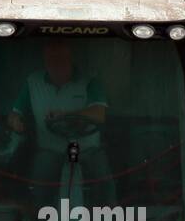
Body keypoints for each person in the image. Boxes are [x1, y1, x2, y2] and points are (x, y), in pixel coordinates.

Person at [7, 39, 113, 204]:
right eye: (51, 59)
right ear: (45, 61)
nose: (56, 63)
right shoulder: (33, 82)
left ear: (70, 59)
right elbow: (15, 113)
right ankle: (37, 220)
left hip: (88, 150)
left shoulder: (90, 80)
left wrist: (66, 115)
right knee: (37, 185)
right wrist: (16, 122)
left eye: (61, 59)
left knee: (105, 180)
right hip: (50, 150)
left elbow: (99, 114)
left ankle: (110, 220)